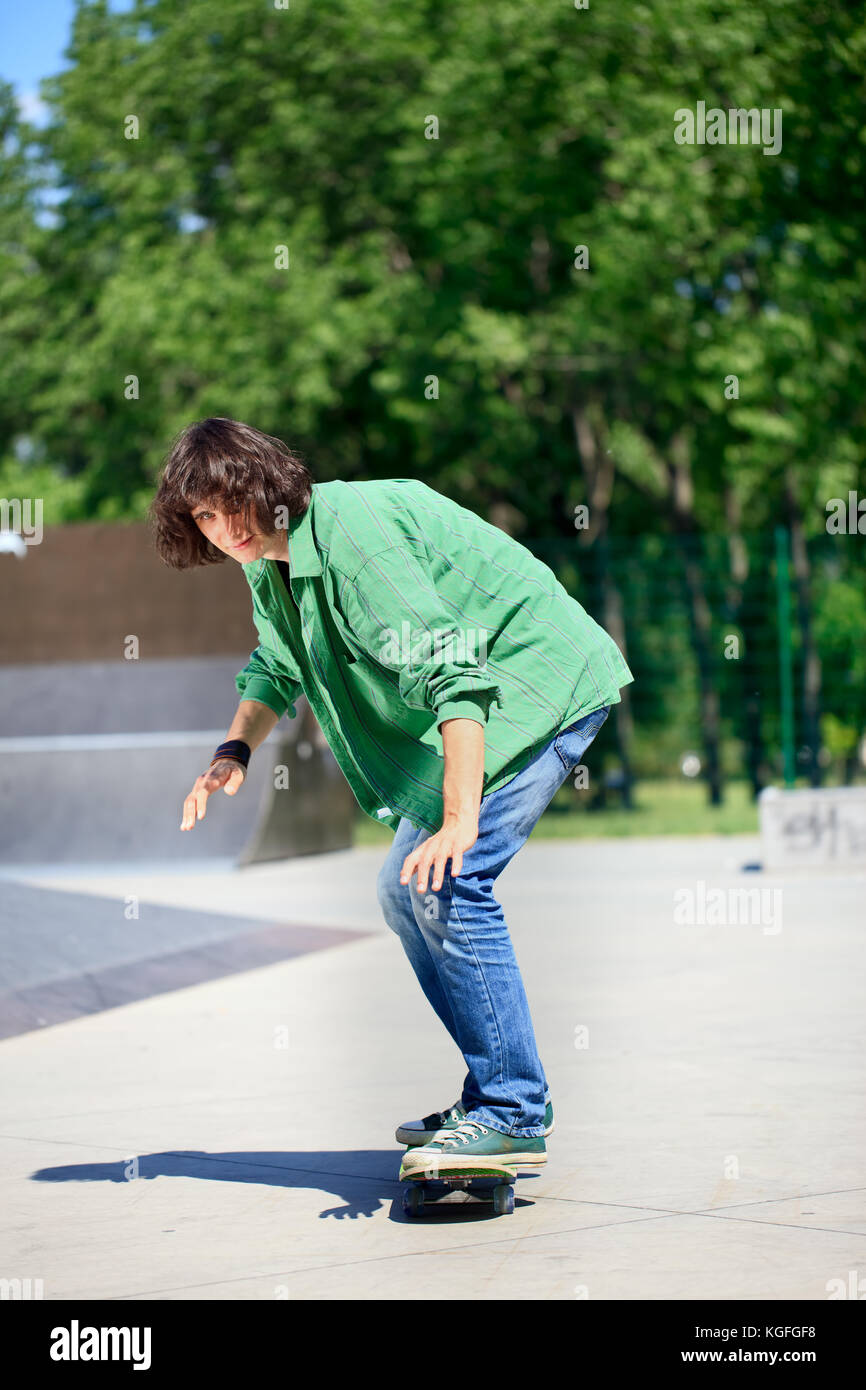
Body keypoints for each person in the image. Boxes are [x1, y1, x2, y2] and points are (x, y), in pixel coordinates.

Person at [150, 416, 634, 1173]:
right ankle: (493, 1095)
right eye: (204, 516)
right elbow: (277, 665)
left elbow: (455, 672)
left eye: (231, 505)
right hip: (489, 706)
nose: (224, 530)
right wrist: (234, 749)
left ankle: (513, 1109)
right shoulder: (268, 560)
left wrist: (458, 821)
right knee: (399, 888)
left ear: (268, 486)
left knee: (448, 883)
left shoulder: (357, 538)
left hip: (540, 687)